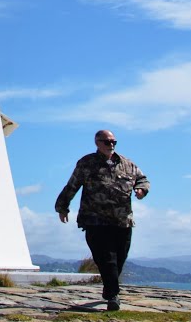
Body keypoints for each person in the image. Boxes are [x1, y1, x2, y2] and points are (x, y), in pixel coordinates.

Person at [55, 129, 150, 311]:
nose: (111, 145)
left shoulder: (127, 164)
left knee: (120, 258)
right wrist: (62, 207)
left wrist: (141, 190)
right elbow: (72, 185)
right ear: (97, 143)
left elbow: (143, 180)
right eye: (107, 141)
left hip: (122, 220)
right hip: (95, 220)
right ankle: (113, 295)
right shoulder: (87, 163)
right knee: (106, 259)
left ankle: (109, 288)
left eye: (114, 141)